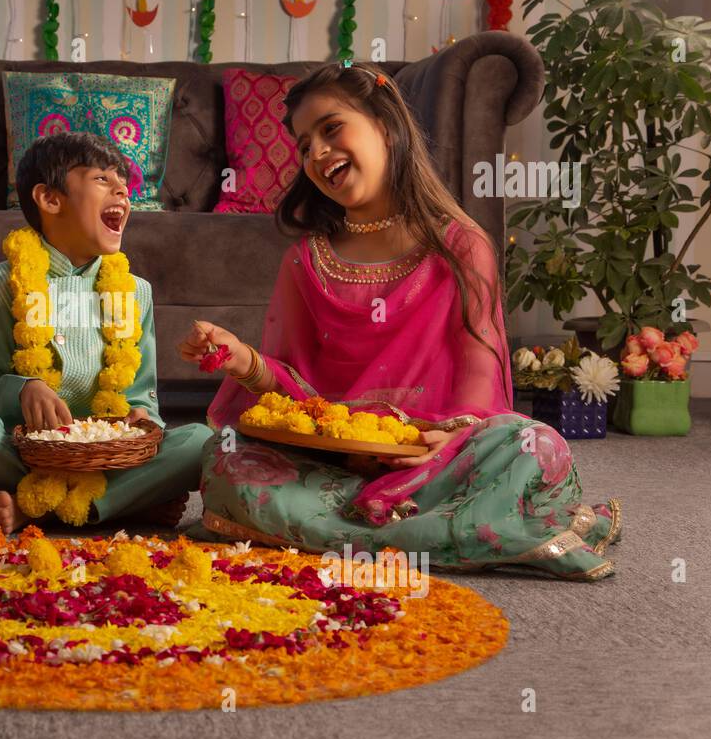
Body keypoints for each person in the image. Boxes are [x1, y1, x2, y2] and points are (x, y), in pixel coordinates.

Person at [178, 61, 620, 580]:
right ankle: (475, 534)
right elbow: (296, 396)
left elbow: (480, 380)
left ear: (386, 126)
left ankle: (351, 532)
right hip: (334, 463)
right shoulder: (306, 261)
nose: (316, 153)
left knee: (534, 445)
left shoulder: (459, 246)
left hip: (437, 460)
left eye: (332, 128)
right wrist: (245, 361)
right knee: (227, 461)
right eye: (303, 144)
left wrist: (445, 439)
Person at [0, 131, 212, 532]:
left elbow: (140, 393)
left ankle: (43, 509)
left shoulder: (135, 292)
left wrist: (142, 419)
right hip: (28, 454)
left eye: (123, 182)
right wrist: (24, 387)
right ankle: (120, 505)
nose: (122, 190)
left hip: (111, 459)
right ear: (50, 200)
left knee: (200, 441)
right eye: (103, 179)